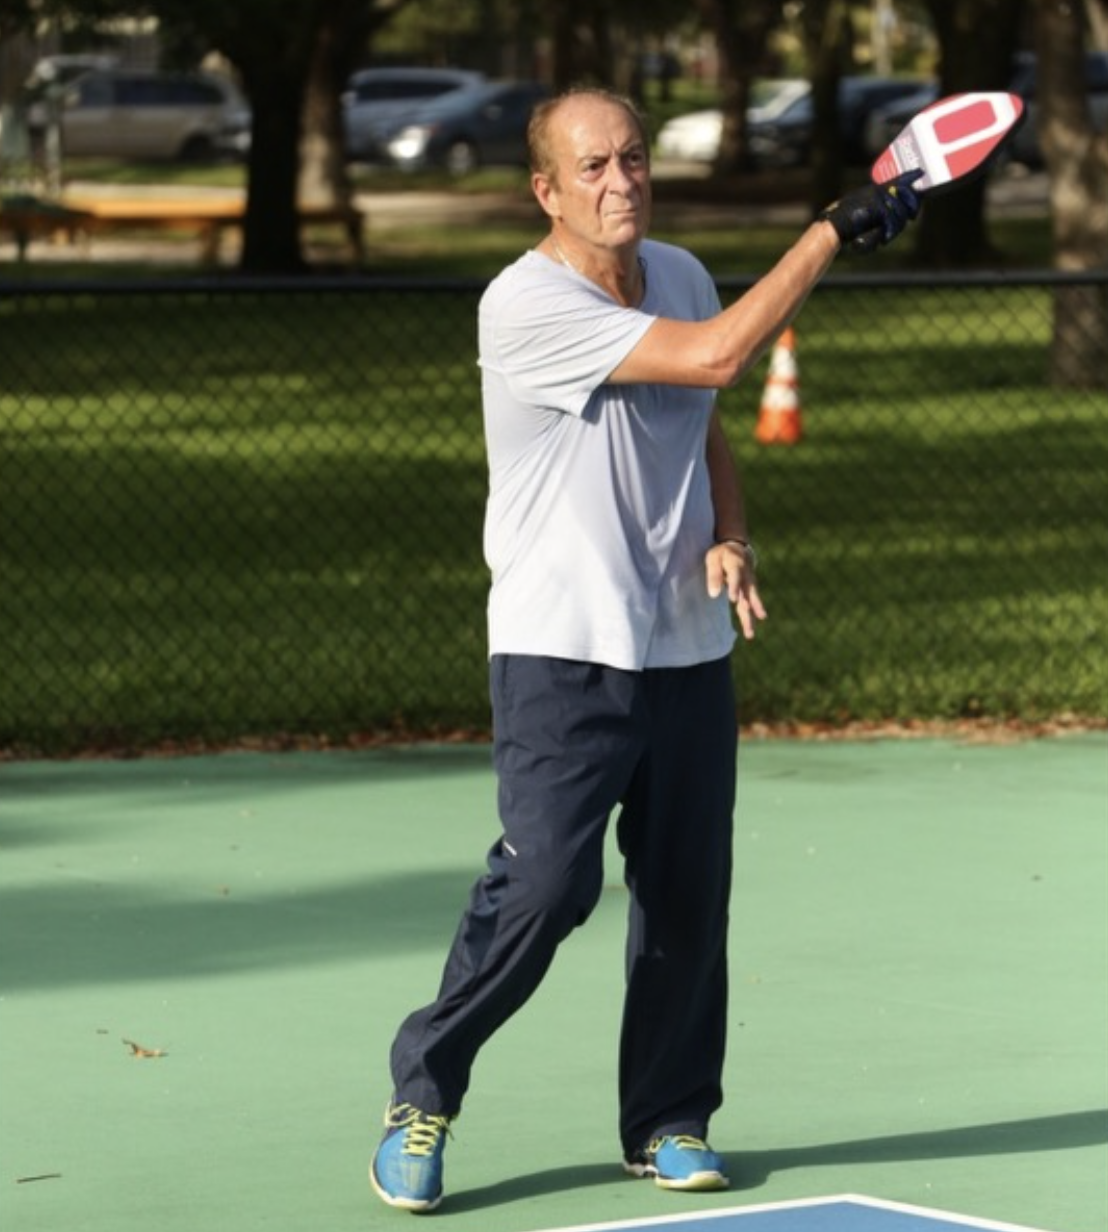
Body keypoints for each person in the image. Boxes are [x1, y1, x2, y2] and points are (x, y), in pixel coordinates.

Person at [369, 87, 921, 1213]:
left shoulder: (676, 270)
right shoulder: (522, 304)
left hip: (685, 646)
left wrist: (729, 532)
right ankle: (423, 1087)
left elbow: (700, 416)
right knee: (549, 887)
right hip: (560, 649)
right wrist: (830, 227)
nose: (620, 181)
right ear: (546, 191)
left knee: (684, 895)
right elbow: (720, 361)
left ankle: (668, 1118)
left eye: (632, 159)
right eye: (592, 168)